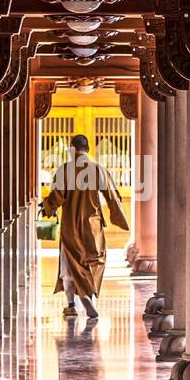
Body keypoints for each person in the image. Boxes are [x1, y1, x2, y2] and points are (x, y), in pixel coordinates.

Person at [40, 133, 129, 320]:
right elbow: (112, 196)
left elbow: (57, 196)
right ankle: (90, 295)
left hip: (70, 225)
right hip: (93, 225)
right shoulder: (98, 170)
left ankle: (71, 305)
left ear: (72, 150)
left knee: (69, 264)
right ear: (87, 150)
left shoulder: (65, 170)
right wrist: (119, 216)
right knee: (95, 260)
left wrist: (47, 206)